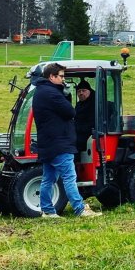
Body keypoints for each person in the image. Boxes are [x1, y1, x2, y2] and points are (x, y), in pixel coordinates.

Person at [32, 63, 99, 219]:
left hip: (48, 143)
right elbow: (70, 111)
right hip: (60, 143)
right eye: (61, 76)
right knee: (69, 177)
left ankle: (48, 211)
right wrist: (65, 94)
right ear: (52, 76)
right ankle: (80, 209)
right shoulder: (52, 93)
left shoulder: (41, 91)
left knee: (48, 179)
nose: (63, 80)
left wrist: (64, 93)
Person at [74, 79, 96, 154]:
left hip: (90, 134)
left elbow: (92, 123)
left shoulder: (95, 104)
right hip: (81, 131)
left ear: (89, 91)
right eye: (79, 91)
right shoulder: (80, 104)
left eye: (83, 90)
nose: (81, 93)